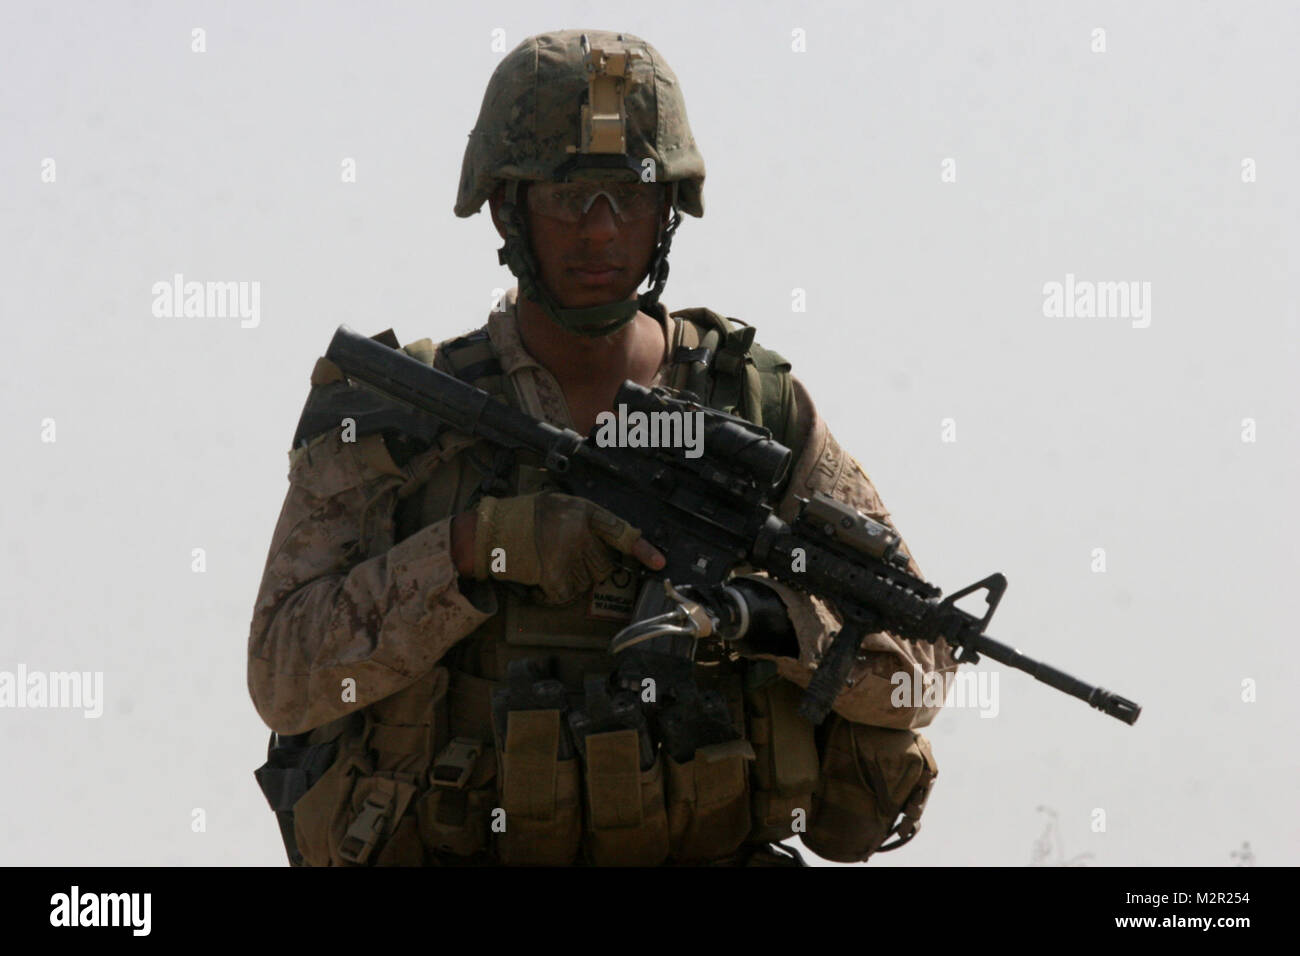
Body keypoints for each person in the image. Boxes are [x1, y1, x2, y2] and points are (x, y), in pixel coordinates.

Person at [248, 29, 957, 867]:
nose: (600, 231)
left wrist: (759, 618)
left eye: (630, 196)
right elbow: (284, 678)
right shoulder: (403, 416)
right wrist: (478, 549)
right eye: (566, 197)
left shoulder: (755, 409)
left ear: (668, 210)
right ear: (508, 207)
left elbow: (923, 666)